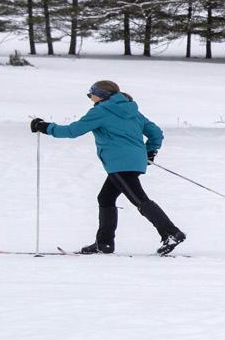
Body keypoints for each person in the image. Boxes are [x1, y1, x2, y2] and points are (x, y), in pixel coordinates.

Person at [31, 80, 185, 255]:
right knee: (105, 198)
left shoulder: (101, 111)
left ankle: (171, 233)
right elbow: (156, 133)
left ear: (101, 95)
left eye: (91, 94)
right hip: (132, 162)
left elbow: (72, 131)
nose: (90, 98)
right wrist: (149, 152)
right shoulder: (132, 111)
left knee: (139, 200)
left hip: (119, 163)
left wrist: (44, 127)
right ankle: (104, 244)